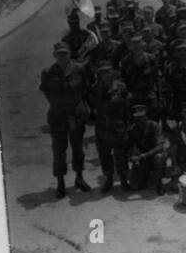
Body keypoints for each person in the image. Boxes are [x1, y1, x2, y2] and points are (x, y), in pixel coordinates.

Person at [39, 42, 92, 198]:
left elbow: (86, 89)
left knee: (78, 148)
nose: (62, 56)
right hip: (57, 116)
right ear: (54, 56)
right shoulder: (48, 72)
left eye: (65, 53)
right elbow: (46, 92)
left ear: (69, 54)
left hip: (76, 114)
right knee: (59, 151)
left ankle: (79, 178)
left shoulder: (79, 69)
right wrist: (59, 104)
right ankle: (60, 183)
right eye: (59, 54)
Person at [90, 60, 131, 193]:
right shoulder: (95, 88)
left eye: (107, 71)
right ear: (98, 74)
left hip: (118, 125)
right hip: (102, 126)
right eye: (102, 72)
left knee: (120, 153)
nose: (105, 74)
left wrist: (128, 125)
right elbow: (92, 106)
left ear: (111, 71)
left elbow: (127, 106)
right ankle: (109, 179)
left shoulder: (121, 87)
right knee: (104, 153)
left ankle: (123, 178)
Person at [126, 104, 168, 195]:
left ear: (146, 116)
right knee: (135, 186)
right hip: (142, 159)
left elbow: (160, 146)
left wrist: (144, 155)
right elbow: (130, 147)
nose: (139, 120)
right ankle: (146, 175)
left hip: (153, 156)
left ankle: (158, 182)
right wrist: (132, 157)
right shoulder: (132, 130)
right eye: (137, 118)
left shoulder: (154, 126)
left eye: (141, 117)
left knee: (159, 157)